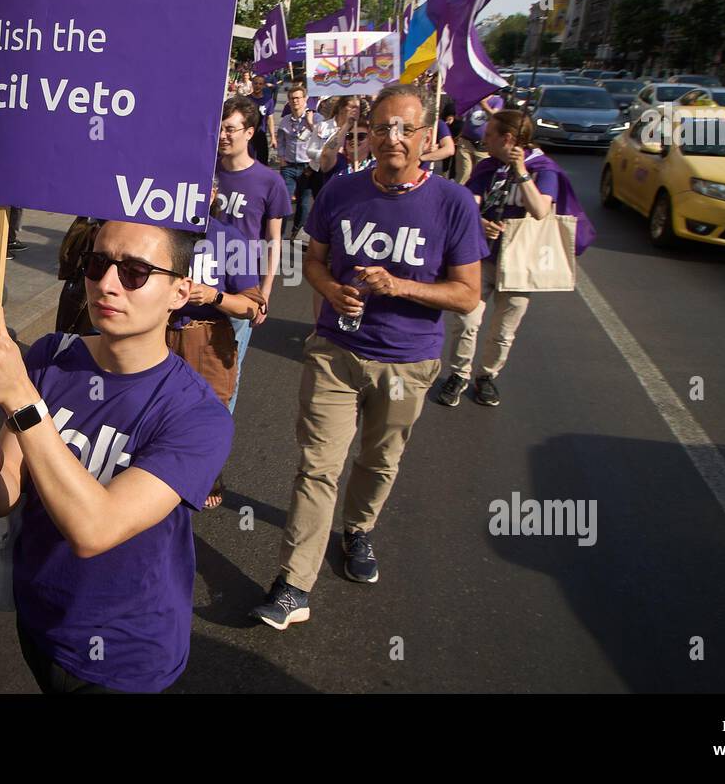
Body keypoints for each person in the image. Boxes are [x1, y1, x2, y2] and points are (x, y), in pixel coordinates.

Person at [0, 220, 233, 693]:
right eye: (97, 263)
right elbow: (8, 490)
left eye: (136, 272)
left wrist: (23, 401)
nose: (106, 284)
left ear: (179, 291)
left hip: (126, 649)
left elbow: (95, 530)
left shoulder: (198, 416)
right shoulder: (50, 357)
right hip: (39, 617)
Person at [251, 84, 487, 630]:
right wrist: (330, 290)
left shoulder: (451, 203)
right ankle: (294, 584)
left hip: (407, 362)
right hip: (336, 350)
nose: (392, 139)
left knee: (378, 461)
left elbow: (468, 294)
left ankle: (357, 529)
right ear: (369, 132)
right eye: (382, 128)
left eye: (405, 129)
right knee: (317, 467)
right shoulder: (342, 191)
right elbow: (314, 261)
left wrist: (401, 287)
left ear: (428, 137)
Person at [435, 109, 592, 408]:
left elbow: (540, 210)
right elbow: (471, 204)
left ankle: (487, 376)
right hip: (483, 257)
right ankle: (459, 374)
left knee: (503, 331)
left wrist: (520, 171)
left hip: (521, 261)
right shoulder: (488, 168)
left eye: (490, 135)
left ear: (508, 138)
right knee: (467, 320)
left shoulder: (543, 169)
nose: (485, 139)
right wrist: (480, 223)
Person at [168, 178, 263, 507]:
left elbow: (252, 306)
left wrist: (214, 295)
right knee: (156, 404)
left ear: (212, 195)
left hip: (208, 334)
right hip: (161, 330)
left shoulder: (227, 237)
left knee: (207, 412)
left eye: (202, 188)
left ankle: (207, 475)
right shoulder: (161, 232)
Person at [214, 96, 290, 412]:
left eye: (230, 129)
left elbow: (274, 241)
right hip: (195, 280)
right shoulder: (203, 169)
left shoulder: (270, 182)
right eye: (219, 129)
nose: (222, 136)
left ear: (249, 132)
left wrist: (264, 292)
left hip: (239, 288)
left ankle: (215, 429)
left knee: (225, 366)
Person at [276, 84, 321, 242]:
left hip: (307, 167)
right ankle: (278, 236)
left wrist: (310, 124)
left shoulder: (316, 117)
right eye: (292, 98)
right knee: (284, 201)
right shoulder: (285, 121)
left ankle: (296, 234)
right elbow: (280, 140)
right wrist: (281, 157)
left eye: (298, 98)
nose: (295, 101)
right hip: (288, 166)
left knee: (304, 203)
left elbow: (323, 139)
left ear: (305, 99)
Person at [248, 74, 277, 164]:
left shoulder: (268, 100)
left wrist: (273, 137)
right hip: (248, 136)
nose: (258, 86)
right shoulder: (246, 100)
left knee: (262, 161)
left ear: (264, 85)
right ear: (252, 84)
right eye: (256, 83)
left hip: (261, 134)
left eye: (260, 84)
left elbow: (270, 119)